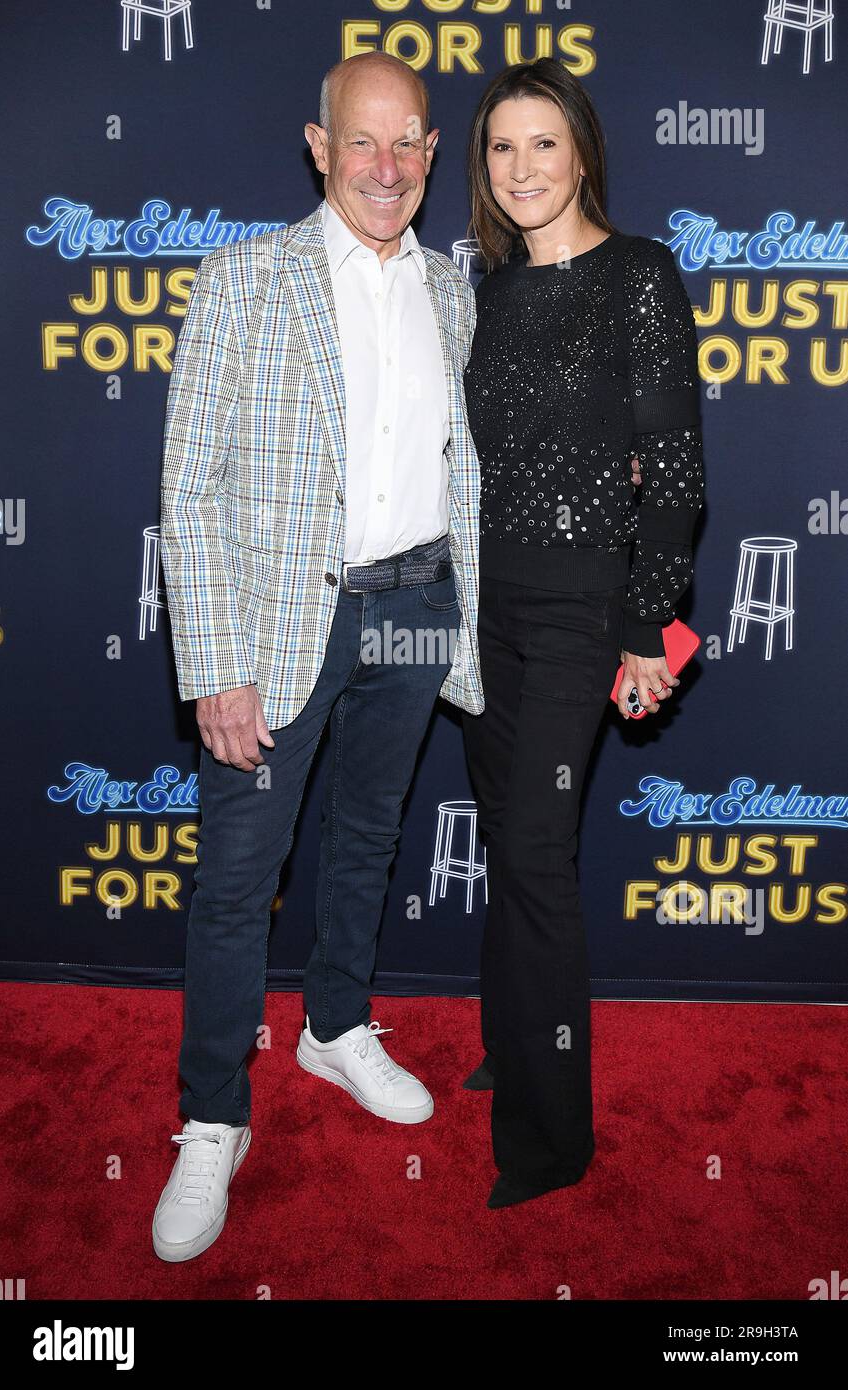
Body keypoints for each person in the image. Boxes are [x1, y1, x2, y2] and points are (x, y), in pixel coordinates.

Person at [152, 50, 485, 1263]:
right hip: (280, 622)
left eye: (408, 145)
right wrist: (214, 661)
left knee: (366, 834)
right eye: (361, 143)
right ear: (317, 143)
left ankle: (336, 1025)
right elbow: (187, 491)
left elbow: (467, 465)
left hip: (415, 601)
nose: (385, 168)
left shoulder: (455, 290)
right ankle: (209, 1116)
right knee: (239, 877)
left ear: (433, 154)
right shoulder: (246, 278)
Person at [460, 58, 705, 1208]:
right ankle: (513, 1038)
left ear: (583, 151)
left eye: (542, 144)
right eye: (501, 148)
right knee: (509, 839)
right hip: (480, 607)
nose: (522, 169)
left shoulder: (641, 277)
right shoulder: (486, 289)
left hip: (578, 613)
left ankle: (551, 1138)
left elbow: (676, 475)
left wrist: (648, 628)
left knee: (536, 857)